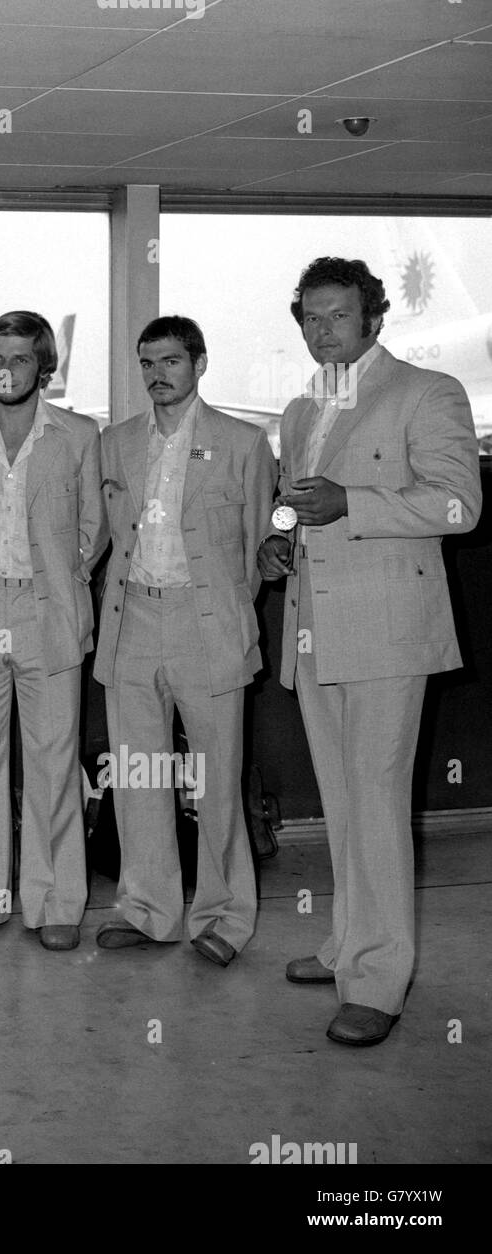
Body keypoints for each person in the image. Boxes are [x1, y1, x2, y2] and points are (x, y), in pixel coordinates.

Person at [258, 257, 481, 1046]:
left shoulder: (425, 393)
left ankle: (379, 981)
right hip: (315, 630)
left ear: (375, 318)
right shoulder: (295, 410)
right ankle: (347, 945)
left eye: (339, 316)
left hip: (387, 631)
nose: (323, 331)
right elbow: (296, 512)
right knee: (344, 803)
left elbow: (458, 505)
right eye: (310, 318)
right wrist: (276, 547)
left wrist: (353, 502)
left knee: (378, 806)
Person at [94, 316, 276, 967]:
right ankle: (147, 910)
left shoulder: (244, 443)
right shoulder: (113, 444)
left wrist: (227, 614)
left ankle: (224, 917)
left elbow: (258, 548)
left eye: (170, 361)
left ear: (198, 363)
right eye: (146, 363)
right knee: (141, 777)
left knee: (215, 779)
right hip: (133, 622)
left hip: (209, 627)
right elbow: (99, 540)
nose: (156, 374)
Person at [0, 311, 105, 949]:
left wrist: (62, 582)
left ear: (44, 368)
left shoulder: (78, 435)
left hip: (47, 610)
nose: (8, 370)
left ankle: (56, 902)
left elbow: (94, 528)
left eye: (23, 359)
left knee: (54, 763)